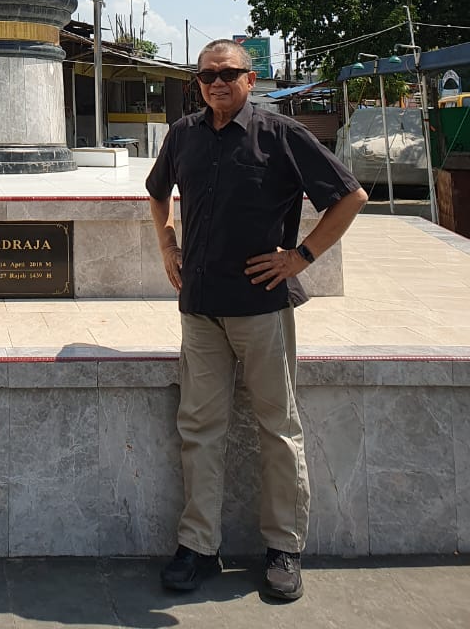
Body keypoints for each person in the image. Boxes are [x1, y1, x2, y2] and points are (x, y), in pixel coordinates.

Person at [146, 39, 366, 603]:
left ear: (250, 79)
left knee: (278, 428)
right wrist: (167, 243)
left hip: (262, 307)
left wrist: (302, 257)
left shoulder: (281, 136)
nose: (216, 83)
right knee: (199, 429)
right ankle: (198, 546)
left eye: (227, 74)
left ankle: (284, 548)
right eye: (205, 75)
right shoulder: (183, 134)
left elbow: (350, 197)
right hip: (200, 306)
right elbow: (157, 193)